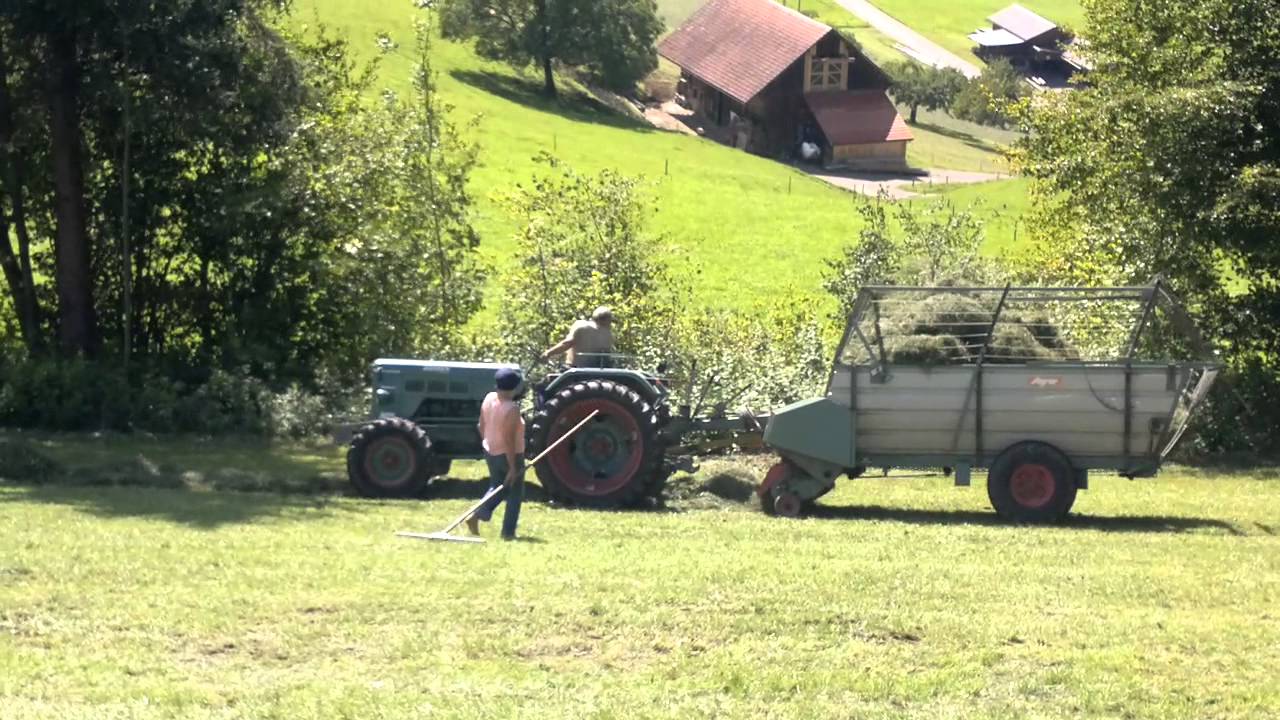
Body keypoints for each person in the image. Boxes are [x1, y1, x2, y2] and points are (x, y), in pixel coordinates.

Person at [466, 368, 526, 540]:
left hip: (490, 450)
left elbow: (481, 425)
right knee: (515, 492)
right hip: (509, 454)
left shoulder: (489, 398)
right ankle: (508, 532)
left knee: (497, 485)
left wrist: (487, 443)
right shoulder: (512, 409)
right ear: (515, 388)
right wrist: (513, 467)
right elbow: (509, 440)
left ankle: (476, 515)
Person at [541, 306, 615, 368]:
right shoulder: (609, 335)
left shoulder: (581, 326)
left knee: (543, 384)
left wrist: (548, 353)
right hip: (598, 370)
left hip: (575, 368)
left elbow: (567, 344)